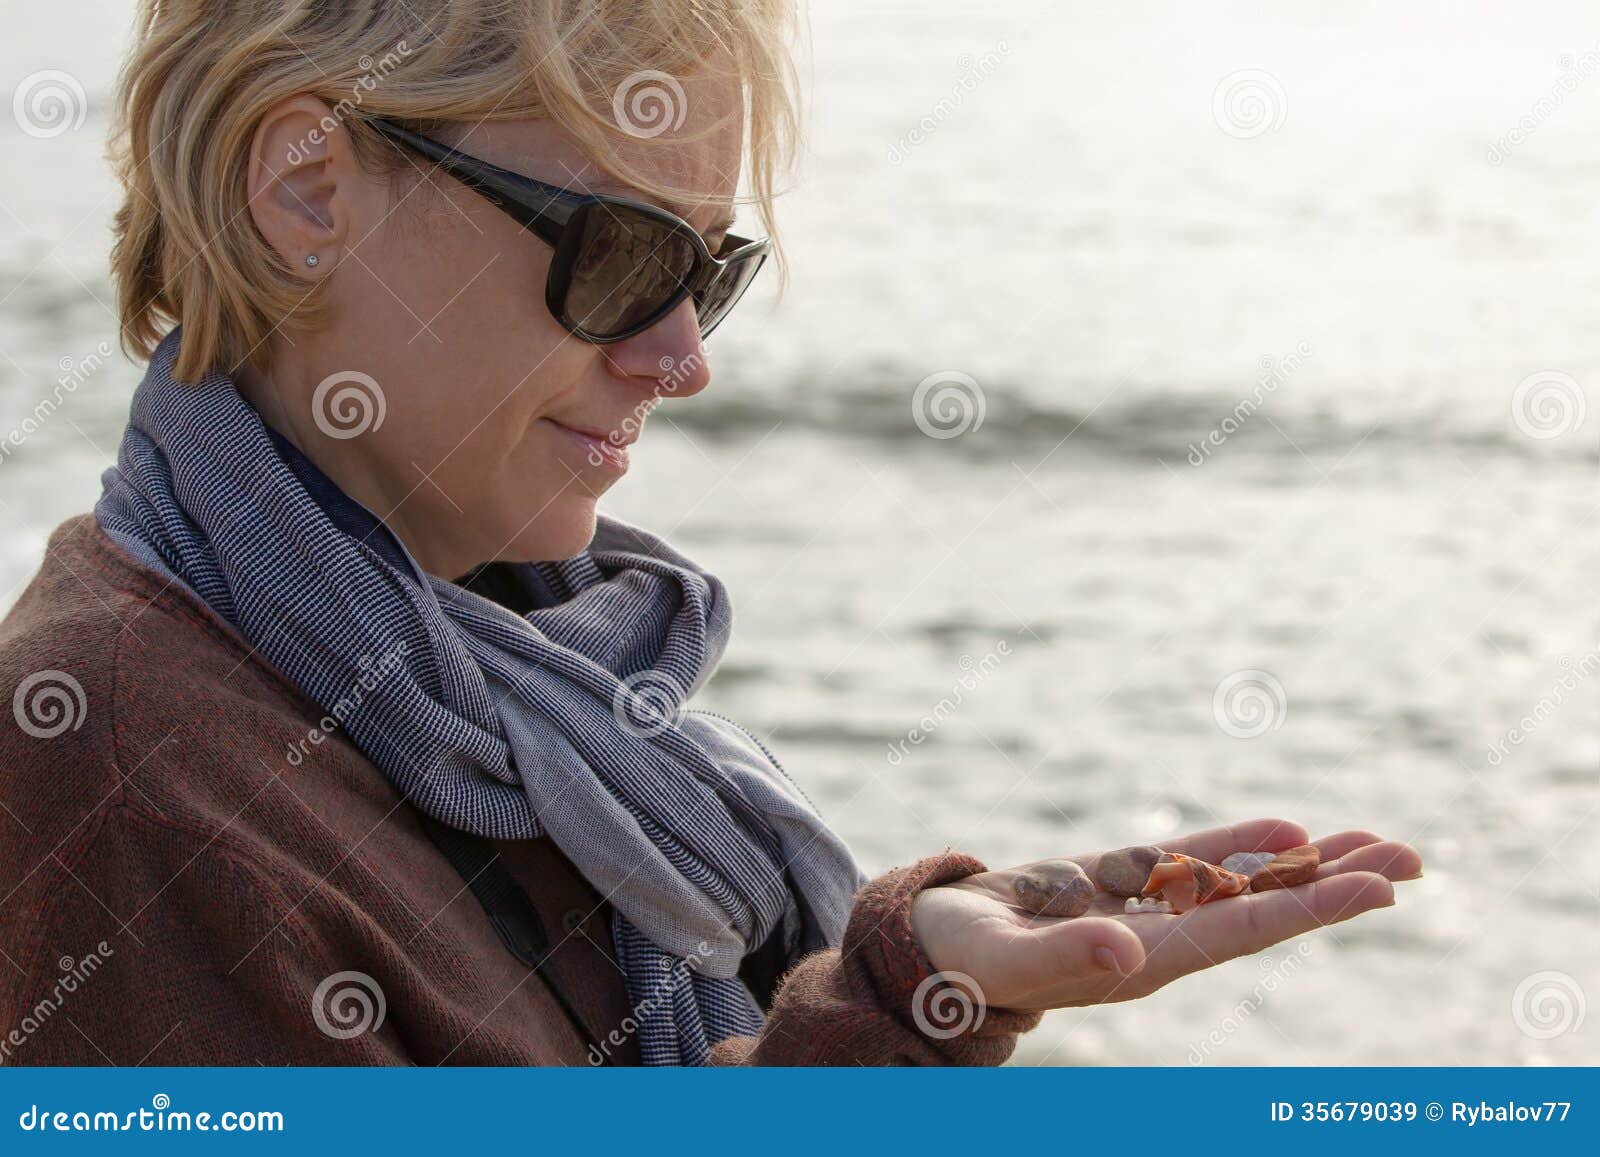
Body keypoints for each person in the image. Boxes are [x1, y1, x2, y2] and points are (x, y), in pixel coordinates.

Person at [0, 0, 1420, 1066]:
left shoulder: (503, 690)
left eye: (710, 269)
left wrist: (907, 983)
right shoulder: (123, 786)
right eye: (617, 256)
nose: (683, 357)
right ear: (308, 186)